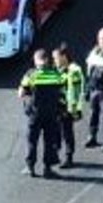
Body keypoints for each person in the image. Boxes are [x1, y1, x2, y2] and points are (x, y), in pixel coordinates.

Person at [17, 48, 64, 177]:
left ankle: (30, 167)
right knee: (49, 141)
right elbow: (62, 90)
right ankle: (47, 168)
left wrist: (25, 92)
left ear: (36, 60)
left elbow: (21, 92)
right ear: (47, 60)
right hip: (52, 113)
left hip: (35, 113)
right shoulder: (55, 74)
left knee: (32, 140)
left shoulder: (31, 74)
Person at [53, 43, 84, 168]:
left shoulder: (74, 70)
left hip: (67, 108)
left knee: (67, 133)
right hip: (56, 107)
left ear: (64, 56)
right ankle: (56, 153)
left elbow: (76, 92)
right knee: (56, 132)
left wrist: (75, 110)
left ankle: (69, 157)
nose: (54, 60)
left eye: (56, 57)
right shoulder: (57, 69)